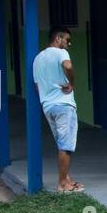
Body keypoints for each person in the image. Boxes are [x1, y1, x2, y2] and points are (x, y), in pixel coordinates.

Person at [32, 27, 83, 193]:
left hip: (47, 106)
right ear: (58, 38)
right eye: (67, 40)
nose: (69, 44)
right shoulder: (60, 53)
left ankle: (67, 179)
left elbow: (37, 86)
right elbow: (68, 67)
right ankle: (62, 184)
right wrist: (72, 83)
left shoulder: (38, 59)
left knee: (62, 144)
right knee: (66, 145)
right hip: (63, 104)